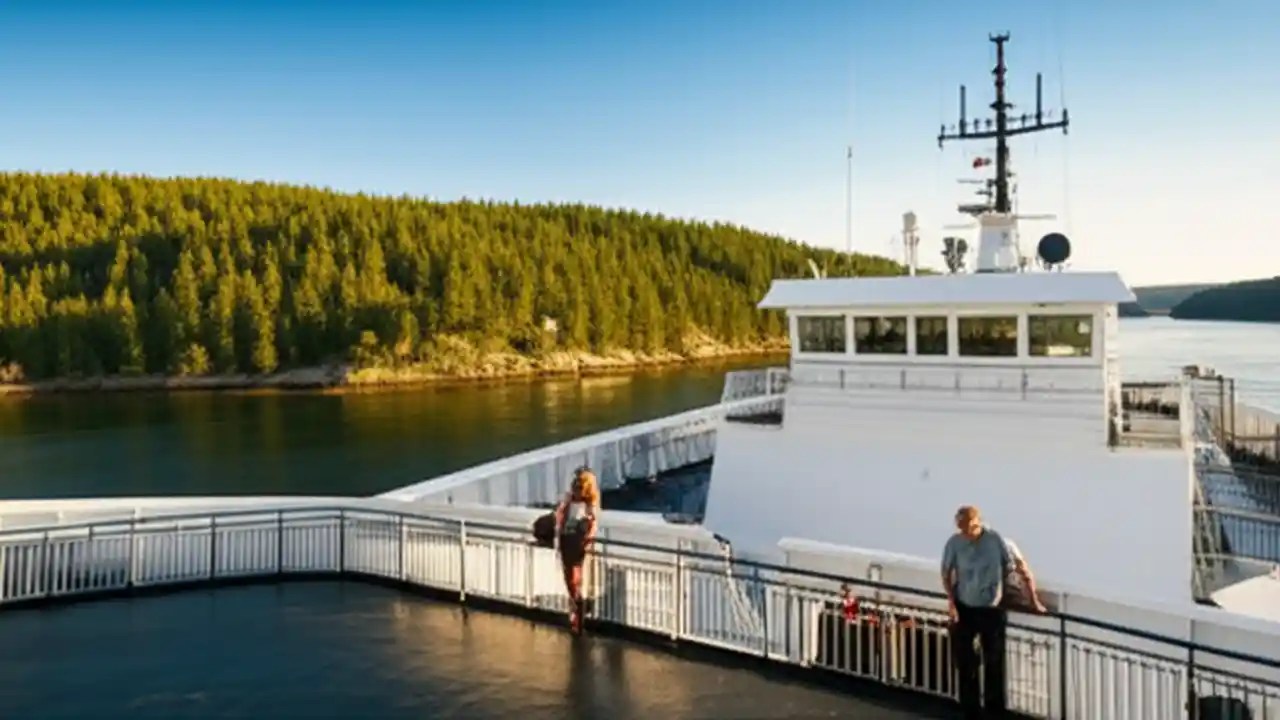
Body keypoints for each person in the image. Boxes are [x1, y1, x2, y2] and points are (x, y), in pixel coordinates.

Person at [940, 505, 1040, 719]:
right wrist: (951, 603)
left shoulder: (996, 541)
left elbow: (1017, 569)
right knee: (966, 663)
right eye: (961, 527)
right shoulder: (954, 543)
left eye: (968, 527)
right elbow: (946, 573)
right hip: (964, 607)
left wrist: (1033, 601)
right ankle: (971, 711)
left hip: (992, 609)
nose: (965, 532)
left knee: (994, 662)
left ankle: (994, 712)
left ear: (977, 523)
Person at [554, 466, 600, 633]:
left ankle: (577, 610)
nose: (576, 490)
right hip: (566, 541)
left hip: (577, 543)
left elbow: (592, 523)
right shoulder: (568, 502)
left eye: (579, 488)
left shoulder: (588, 505)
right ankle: (575, 605)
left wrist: (587, 539)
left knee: (576, 577)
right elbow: (559, 519)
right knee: (569, 576)